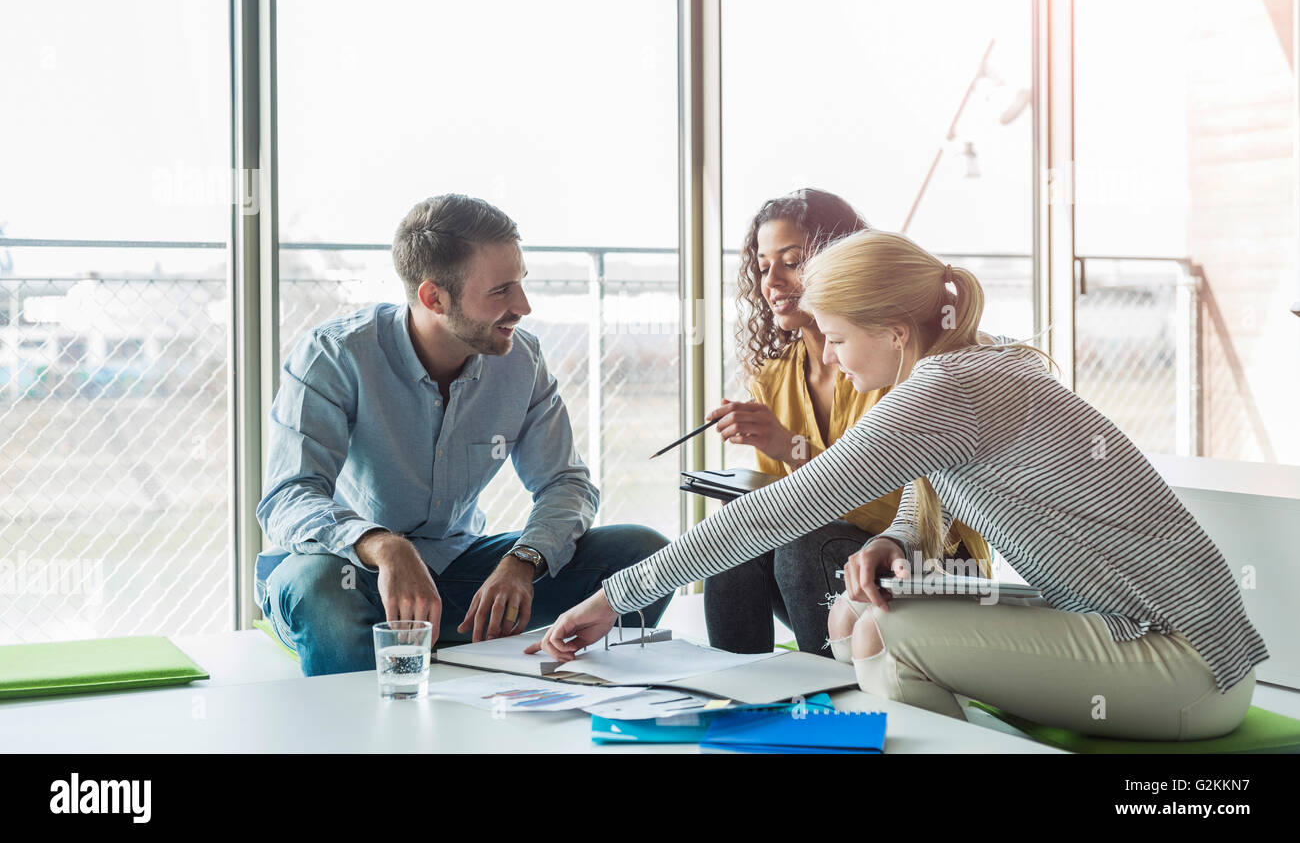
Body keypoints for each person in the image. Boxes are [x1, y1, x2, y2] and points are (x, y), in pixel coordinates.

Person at [529, 228, 1269, 740]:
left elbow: (775, 512)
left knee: (891, 630)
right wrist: (894, 537)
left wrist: (610, 597)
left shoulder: (946, 387)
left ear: (894, 331)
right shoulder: (968, 364)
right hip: (1145, 636)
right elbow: (930, 489)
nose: (835, 358)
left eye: (841, 338)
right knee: (856, 612)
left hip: (1187, 663)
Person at [255, 193, 671, 676]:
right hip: (348, 576)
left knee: (643, 555)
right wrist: (385, 546)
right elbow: (288, 497)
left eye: (521, 284)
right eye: (501, 291)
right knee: (321, 588)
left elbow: (565, 484)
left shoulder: (522, 360)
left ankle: (579, 687)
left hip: (457, 575)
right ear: (434, 298)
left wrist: (524, 559)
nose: (523, 306)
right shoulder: (335, 354)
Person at [703, 188, 992, 655]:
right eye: (762, 266)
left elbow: (917, 512)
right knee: (738, 536)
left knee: (801, 544)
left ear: (841, 265)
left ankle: (837, 700)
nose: (772, 280)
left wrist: (789, 447)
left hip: (930, 560)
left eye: (792, 261)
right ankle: (739, 697)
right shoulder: (773, 376)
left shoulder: (899, 362)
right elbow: (787, 506)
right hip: (825, 561)